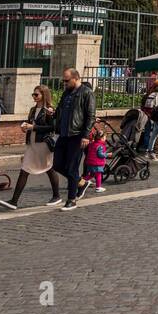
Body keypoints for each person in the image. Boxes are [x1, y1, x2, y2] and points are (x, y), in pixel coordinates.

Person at [0, 85, 62, 210]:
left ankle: (57, 196)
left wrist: (33, 127)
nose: (34, 97)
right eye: (33, 94)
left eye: (36, 95)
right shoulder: (33, 110)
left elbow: (52, 128)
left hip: (43, 144)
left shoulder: (49, 110)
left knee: (49, 168)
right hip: (32, 143)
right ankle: (14, 201)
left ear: (44, 95)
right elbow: (31, 124)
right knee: (25, 169)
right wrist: (25, 128)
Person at [53, 68, 96, 211]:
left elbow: (90, 116)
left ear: (76, 78)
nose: (64, 83)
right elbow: (60, 109)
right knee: (57, 164)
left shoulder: (86, 93)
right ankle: (81, 182)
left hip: (77, 135)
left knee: (72, 168)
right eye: (63, 80)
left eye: (66, 80)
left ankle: (71, 200)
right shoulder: (66, 93)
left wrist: (85, 135)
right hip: (64, 133)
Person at [84, 126, 108, 192]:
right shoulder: (100, 145)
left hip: (90, 162)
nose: (106, 138)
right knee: (98, 175)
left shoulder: (92, 144)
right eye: (105, 137)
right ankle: (98, 187)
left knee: (91, 174)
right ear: (102, 138)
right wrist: (107, 154)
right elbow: (100, 155)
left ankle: (81, 182)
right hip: (97, 163)